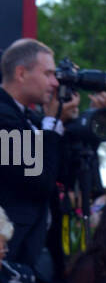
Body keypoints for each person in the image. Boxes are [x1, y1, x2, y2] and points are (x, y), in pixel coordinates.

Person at [0, 40, 80, 270]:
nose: (55, 83)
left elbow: (62, 175)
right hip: (12, 250)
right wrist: (52, 126)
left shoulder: (36, 120)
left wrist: (68, 124)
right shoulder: (4, 117)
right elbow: (37, 180)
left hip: (41, 250)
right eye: (48, 74)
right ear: (21, 73)